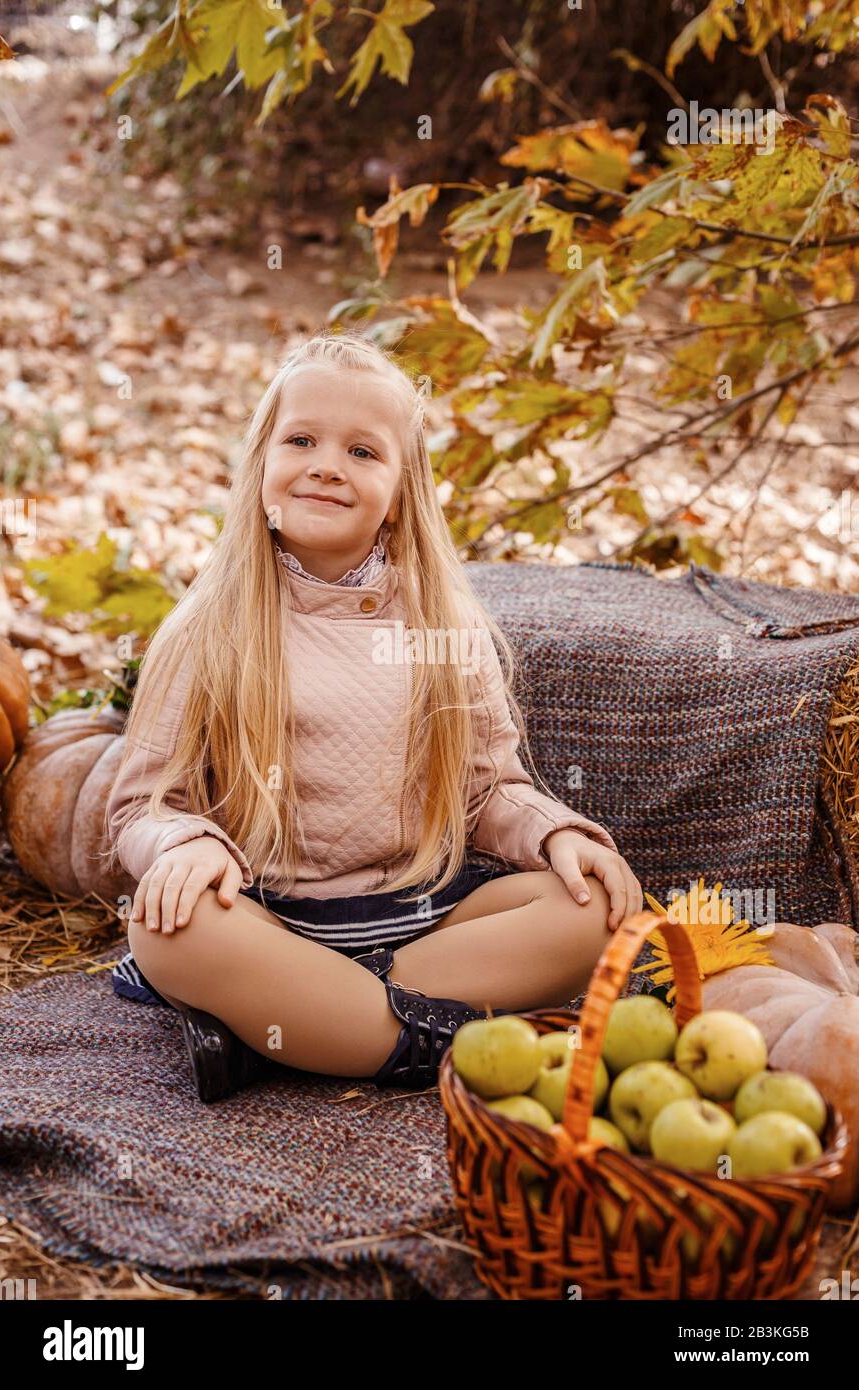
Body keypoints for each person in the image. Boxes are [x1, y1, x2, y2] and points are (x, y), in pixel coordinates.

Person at [104, 330, 643, 1103]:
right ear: (260, 471)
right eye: (301, 439)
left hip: (425, 926)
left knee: (594, 910)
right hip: (269, 926)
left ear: (400, 498)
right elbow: (141, 806)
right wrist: (183, 844)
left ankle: (297, 1035)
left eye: (363, 452)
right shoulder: (208, 627)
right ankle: (435, 1045)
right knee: (164, 927)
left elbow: (490, 792)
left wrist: (555, 832)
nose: (326, 463)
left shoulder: (444, 625)